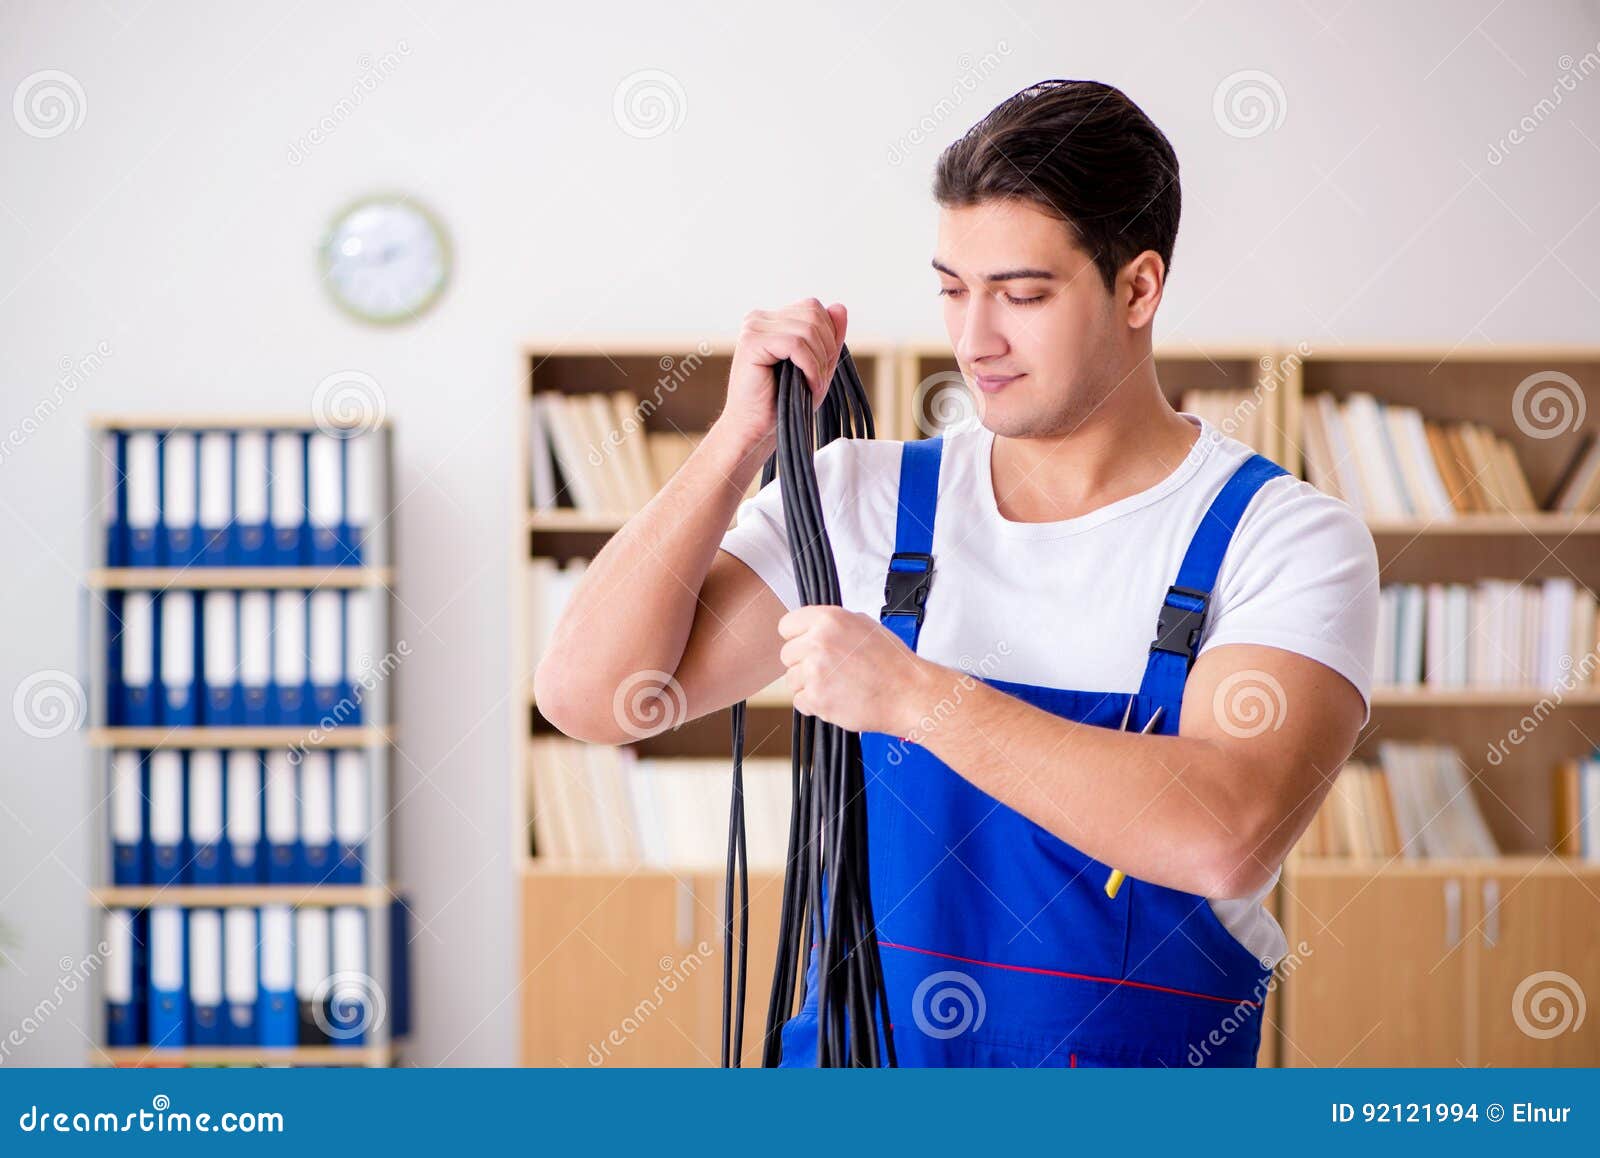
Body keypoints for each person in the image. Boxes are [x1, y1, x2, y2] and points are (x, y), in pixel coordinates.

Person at [534, 78, 1378, 1067]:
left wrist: (913, 700)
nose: (974, 341)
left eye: (1020, 295)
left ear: (1139, 288)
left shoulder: (1278, 539)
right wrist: (736, 442)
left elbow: (1224, 835)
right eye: (951, 289)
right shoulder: (862, 498)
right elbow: (592, 699)